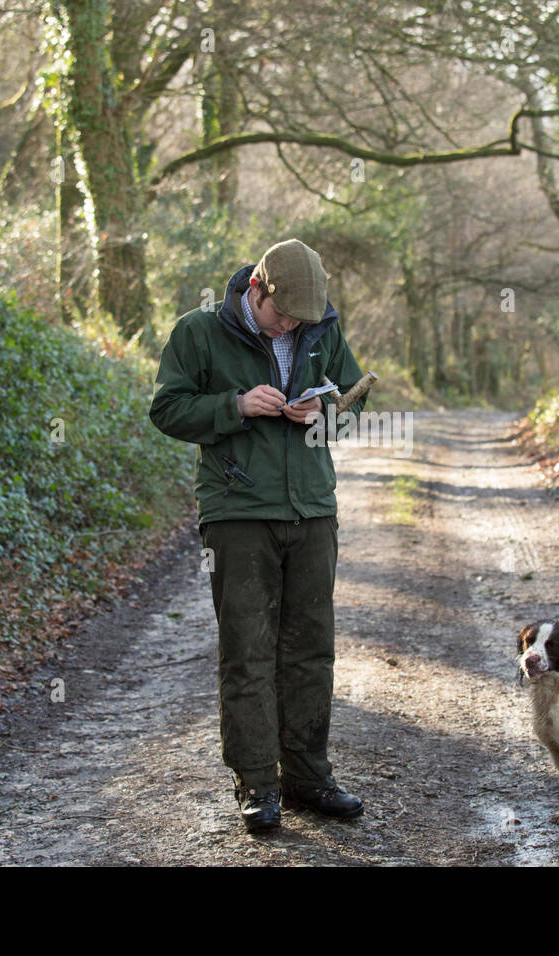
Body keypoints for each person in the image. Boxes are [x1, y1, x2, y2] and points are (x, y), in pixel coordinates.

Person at [149, 238, 368, 833]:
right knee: (248, 652)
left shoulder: (321, 327)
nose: (292, 326)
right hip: (238, 511)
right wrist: (236, 405)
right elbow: (167, 409)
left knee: (311, 650)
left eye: (303, 319)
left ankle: (307, 777)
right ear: (256, 290)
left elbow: (355, 404)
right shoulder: (198, 333)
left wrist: (326, 415)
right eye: (282, 316)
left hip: (313, 510)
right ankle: (257, 784)